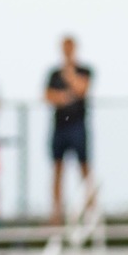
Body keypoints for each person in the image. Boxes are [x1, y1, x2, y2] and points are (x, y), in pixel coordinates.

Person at [44, 36, 94, 223]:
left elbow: (82, 90)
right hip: (59, 126)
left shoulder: (84, 70)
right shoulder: (53, 74)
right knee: (57, 168)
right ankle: (56, 211)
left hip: (78, 125)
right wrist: (66, 96)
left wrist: (70, 76)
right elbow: (48, 96)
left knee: (84, 167)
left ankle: (90, 208)